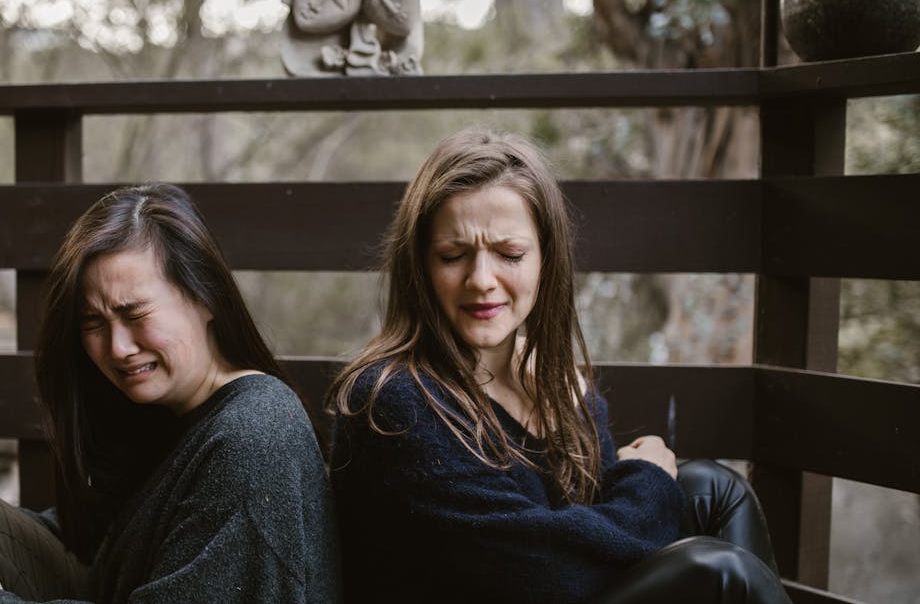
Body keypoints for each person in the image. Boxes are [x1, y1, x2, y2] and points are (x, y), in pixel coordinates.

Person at [327, 129, 790, 603]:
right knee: (721, 572)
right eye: (453, 256)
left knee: (714, 488)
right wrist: (649, 476)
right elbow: (549, 576)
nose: (481, 280)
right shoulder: (393, 398)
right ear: (420, 265)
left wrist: (574, 411)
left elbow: (606, 529)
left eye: (510, 255)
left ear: (546, 261)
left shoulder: (543, 377)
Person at [0, 183, 341, 603]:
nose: (118, 348)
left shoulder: (253, 437)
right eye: (93, 324)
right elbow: (113, 541)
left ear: (205, 297)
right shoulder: (169, 413)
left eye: (135, 313)